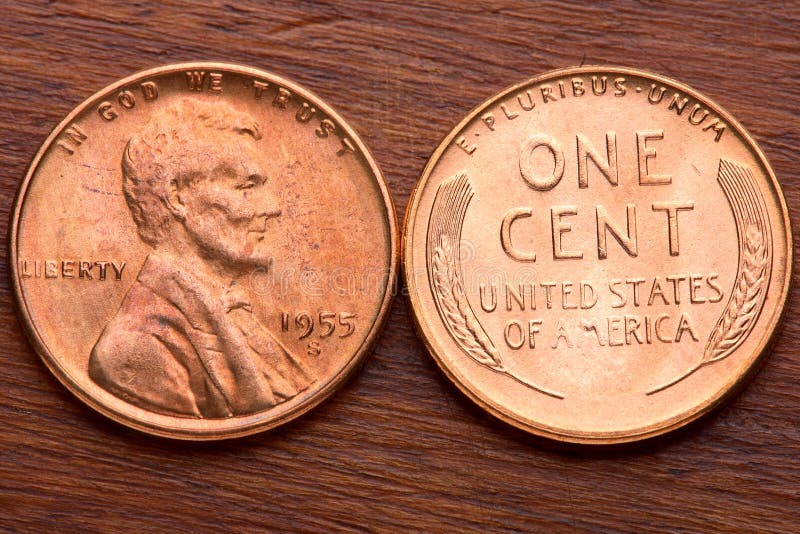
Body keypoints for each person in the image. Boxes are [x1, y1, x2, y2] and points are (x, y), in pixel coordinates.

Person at [89, 99, 313, 418]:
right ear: (178, 197)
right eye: (247, 187)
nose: (273, 206)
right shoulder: (135, 347)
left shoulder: (233, 313)